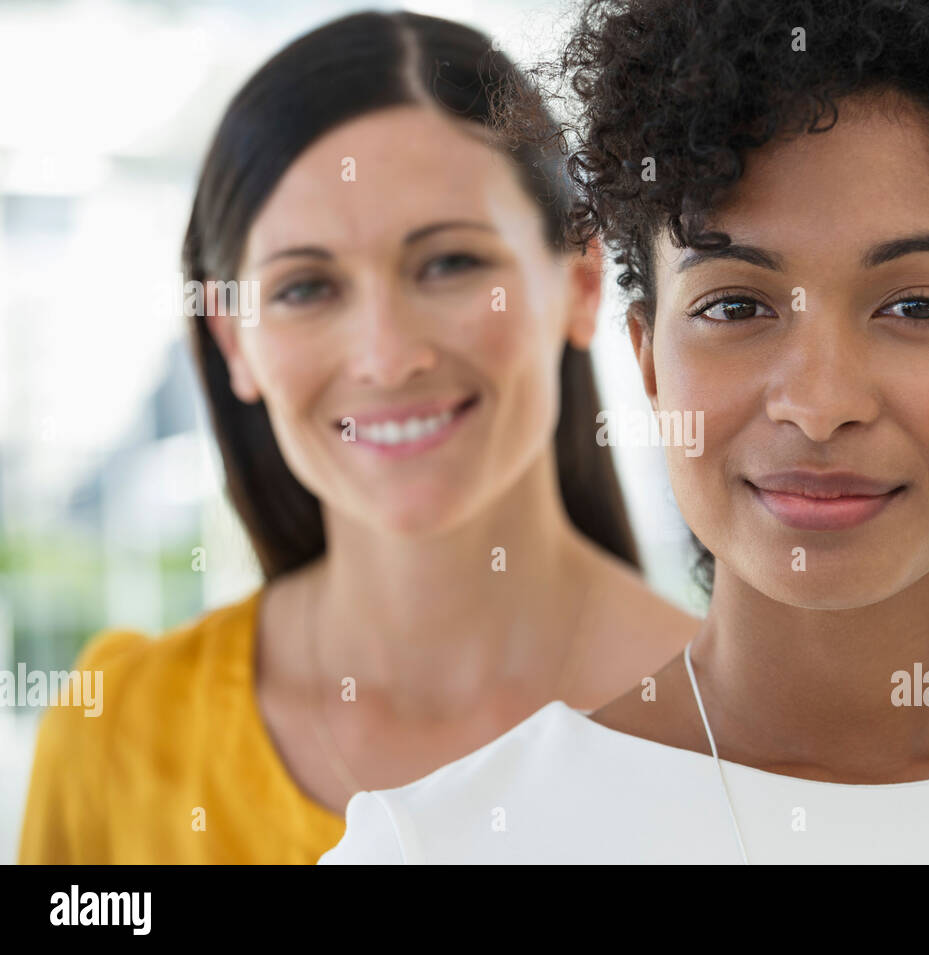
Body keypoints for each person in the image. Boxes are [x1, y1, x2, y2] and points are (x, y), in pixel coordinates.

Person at [318, 0, 929, 864]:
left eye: (916, 306)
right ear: (651, 361)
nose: (819, 401)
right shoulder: (439, 848)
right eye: (735, 305)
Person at [19, 10, 698, 865]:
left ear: (581, 281)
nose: (387, 357)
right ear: (235, 341)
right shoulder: (117, 729)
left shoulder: (731, 733)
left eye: (450, 263)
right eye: (307, 287)